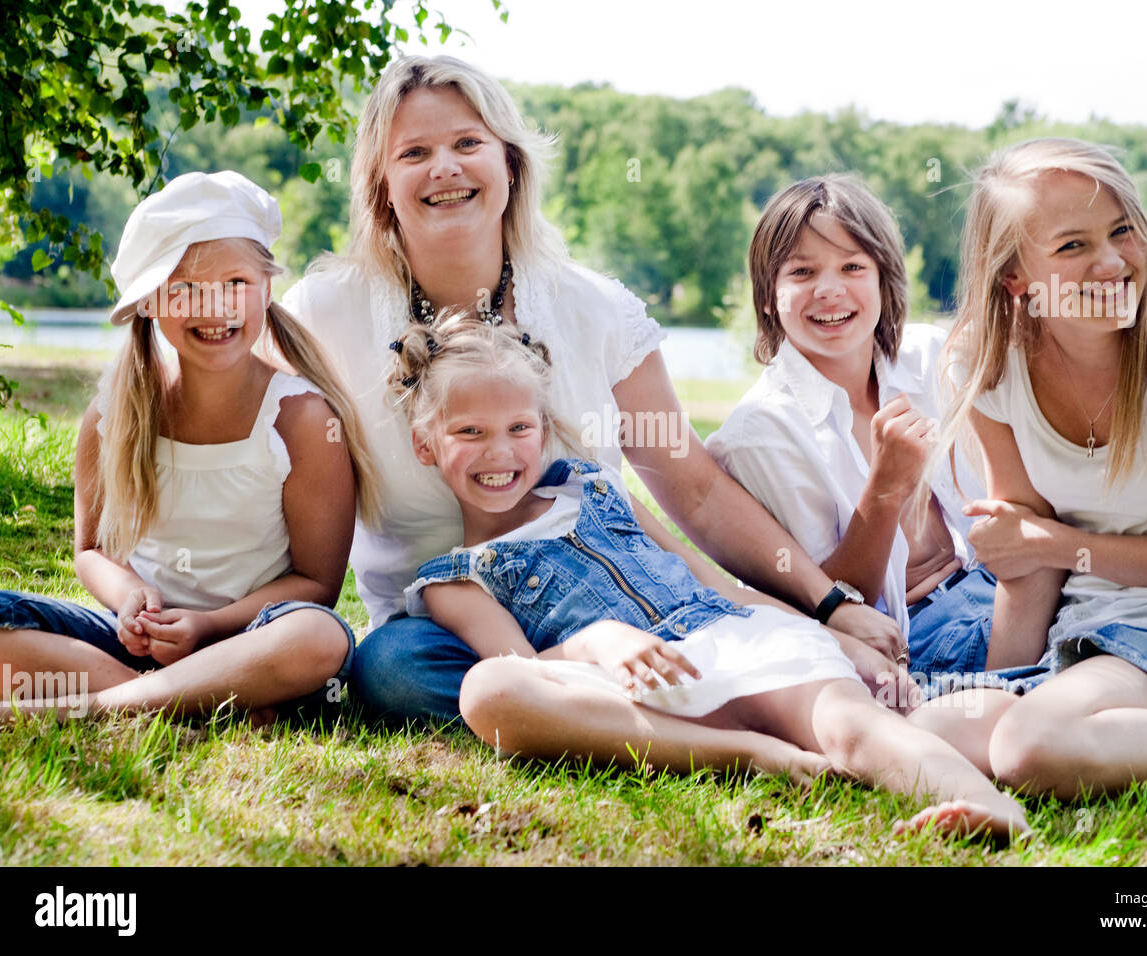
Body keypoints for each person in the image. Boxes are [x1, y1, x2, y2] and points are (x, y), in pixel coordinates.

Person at [280, 54, 907, 723]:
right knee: (392, 669)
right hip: (467, 634)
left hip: (626, 611)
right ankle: (670, 708)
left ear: (511, 165)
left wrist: (829, 606)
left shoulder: (594, 307)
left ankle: (649, 703)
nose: (446, 169)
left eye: (469, 143)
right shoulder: (324, 313)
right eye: (415, 153)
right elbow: (267, 475)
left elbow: (694, 487)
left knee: (718, 635)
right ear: (381, 183)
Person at [388, 312, 1030, 837]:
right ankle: (750, 754)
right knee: (487, 690)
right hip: (640, 699)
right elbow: (525, 666)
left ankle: (982, 803)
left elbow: (723, 587)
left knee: (855, 725)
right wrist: (599, 641)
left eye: (518, 428)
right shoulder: (455, 579)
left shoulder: (597, 489)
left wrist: (842, 638)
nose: (500, 452)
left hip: (740, 640)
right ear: (426, 444)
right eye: (470, 431)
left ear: (541, 428)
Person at [910, 138, 1147, 800]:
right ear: (1015, 279)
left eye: (1122, 231)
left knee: (1027, 745)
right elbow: (1029, 567)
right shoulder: (987, 364)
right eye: (1072, 246)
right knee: (936, 728)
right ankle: (1093, 738)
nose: (1112, 262)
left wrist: (1059, 545)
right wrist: (1005, 682)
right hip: (1085, 640)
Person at [0, 171, 380, 722]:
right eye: (186, 288)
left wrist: (206, 626)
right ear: (151, 302)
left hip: (252, 641)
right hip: (140, 643)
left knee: (319, 636)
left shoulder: (304, 420)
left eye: (236, 282)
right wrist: (129, 598)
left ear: (267, 288)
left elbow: (317, 585)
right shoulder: (113, 414)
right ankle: (180, 701)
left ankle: (103, 705)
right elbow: (92, 549)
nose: (213, 307)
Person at [707, 176, 1042, 695]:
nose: (830, 289)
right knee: (1080, 671)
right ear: (769, 298)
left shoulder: (931, 357)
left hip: (1001, 585)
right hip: (919, 635)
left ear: (884, 281)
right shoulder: (759, 434)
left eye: (853, 267)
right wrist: (885, 489)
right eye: (802, 271)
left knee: (1116, 626)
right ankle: (1018, 701)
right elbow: (832, 605)